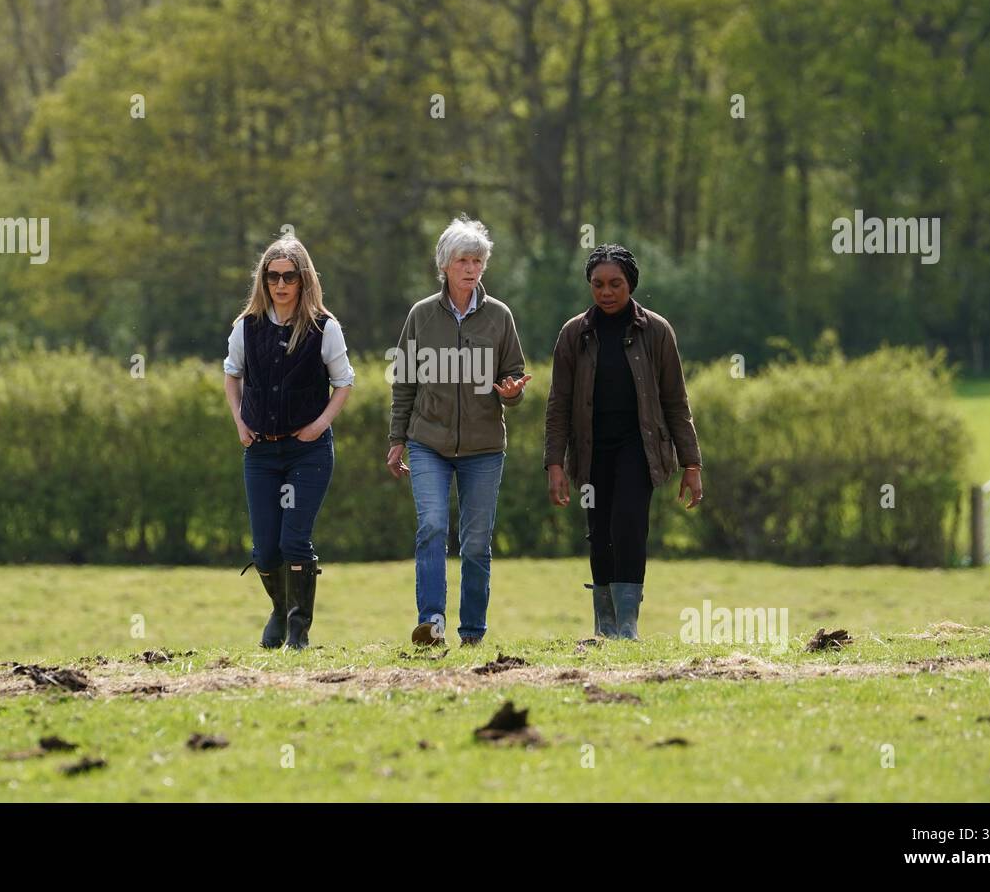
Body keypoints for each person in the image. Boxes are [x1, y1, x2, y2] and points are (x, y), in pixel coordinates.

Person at [543, 244, 703, 640]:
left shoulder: (657, 331)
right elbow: (558, 405)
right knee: (599, 533)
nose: (606, 292)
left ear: (631, 284)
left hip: (639, 449)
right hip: (590, 451)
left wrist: (692, 465)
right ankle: (605, 627)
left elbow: (675, 402)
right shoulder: (573, 334)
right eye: (598, 284)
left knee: (627, 525)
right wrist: (555, 465)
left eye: (616, 283)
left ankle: (627, 627)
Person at [386, 215, 531, 647]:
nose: (471, 268)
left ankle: (472, 633)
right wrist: (397, 439)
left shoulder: (500, 317)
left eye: (478, 261)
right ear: (445, 265)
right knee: (431, 525)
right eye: (463, 260)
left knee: (476, 542)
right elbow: (405, 381)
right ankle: (431, 624)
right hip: (427, 442)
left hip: (484, 448)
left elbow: (514, 377)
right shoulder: (421, 316)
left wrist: (510, 393)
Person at [224, 236, 354, 650]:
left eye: (289, 276)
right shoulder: (246, 327)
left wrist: (320, 425)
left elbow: (344, 382)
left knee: (294, 541)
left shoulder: (324, 328)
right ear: (263, 280)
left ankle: (299, 629)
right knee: (264, 550)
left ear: (303, 279)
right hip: (260, 451)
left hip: (308, 451)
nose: (280, 284)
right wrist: (240, 421)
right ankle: (279, 611)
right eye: (272, 276)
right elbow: (232, 375)